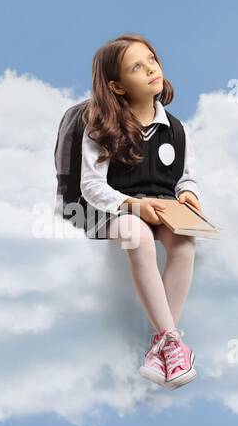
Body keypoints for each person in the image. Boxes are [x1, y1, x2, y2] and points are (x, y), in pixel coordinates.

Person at [78, 33, 202, 388]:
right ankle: (171, 341)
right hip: (117, 208)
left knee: (183, 241)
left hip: (162, 205)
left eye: (152, 60)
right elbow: (92, 185)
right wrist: (132, 205)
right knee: (136, 237)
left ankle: (163, 342)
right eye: (136, 67)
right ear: (116, 86)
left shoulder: (176, 129)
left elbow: (186, 177)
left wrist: (189, 194)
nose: (151, 69)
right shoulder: (102, 127)